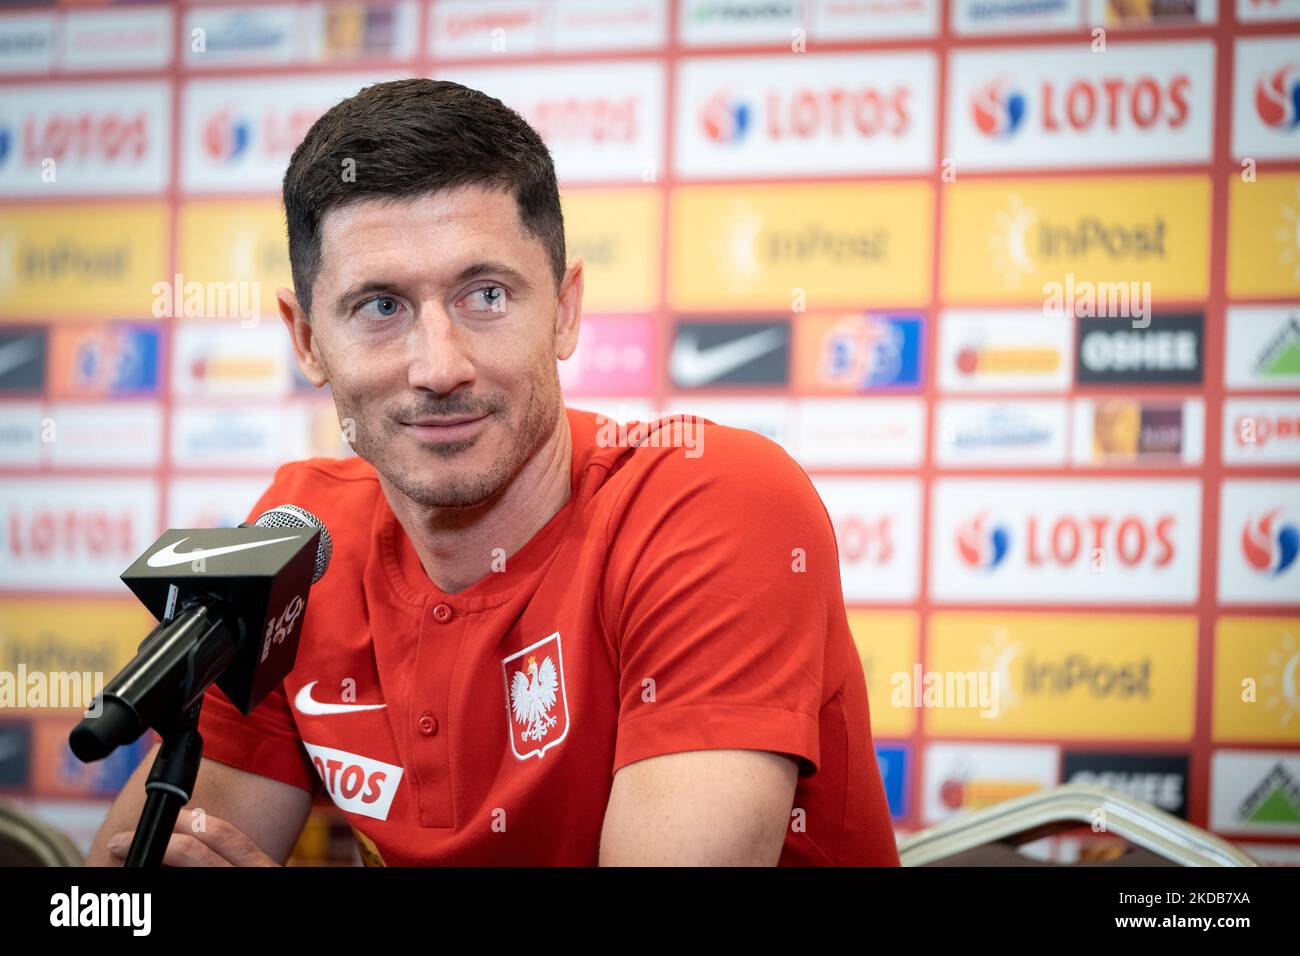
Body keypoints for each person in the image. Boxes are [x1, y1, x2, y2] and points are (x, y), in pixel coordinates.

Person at [87, 78, 899, 867]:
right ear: (306, 341)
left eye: (485, 295)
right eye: (381, 306)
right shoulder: (304, 535)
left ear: (565, 310)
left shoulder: (714, 499)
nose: (439, 367)